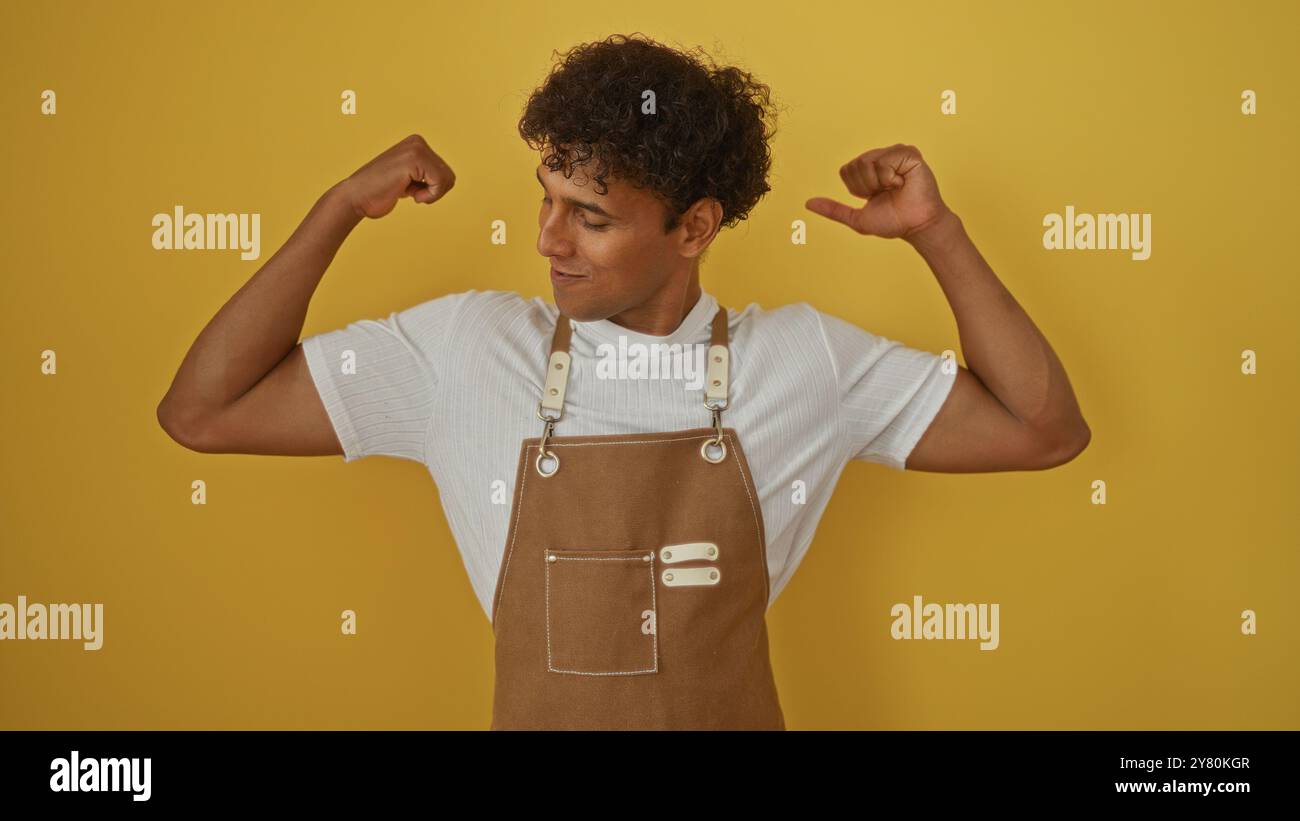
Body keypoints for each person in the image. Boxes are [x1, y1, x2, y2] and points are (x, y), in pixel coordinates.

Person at [157, 33, 1089, 729]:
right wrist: (336, 211)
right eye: (547, 198)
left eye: (590, 217)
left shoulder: (805, 363)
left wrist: (938, 233)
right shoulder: (466, 349)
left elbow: (1042, 431)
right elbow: (203, 409)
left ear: (693, 227)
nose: (547, 240)